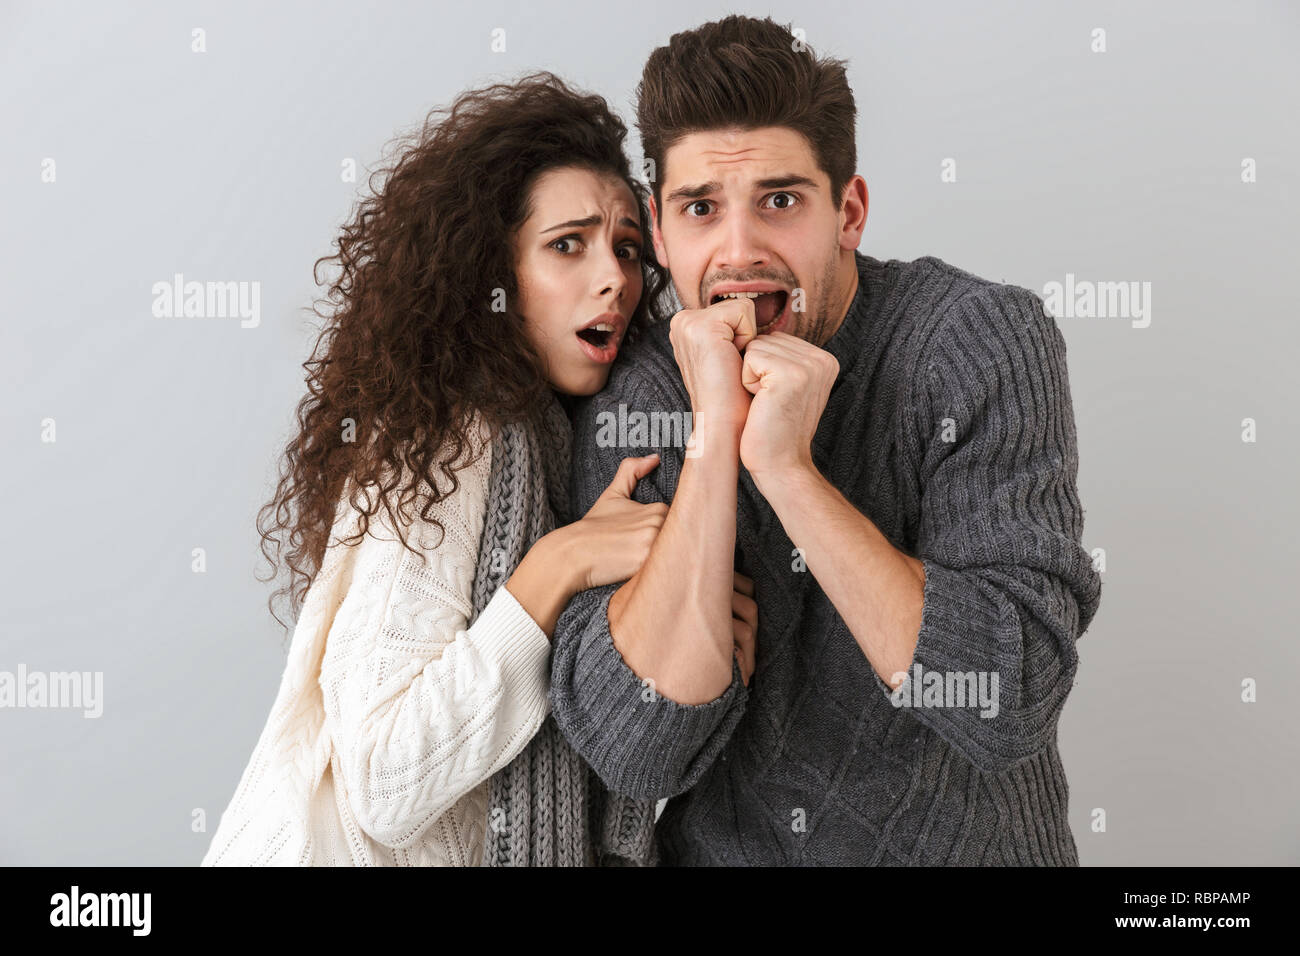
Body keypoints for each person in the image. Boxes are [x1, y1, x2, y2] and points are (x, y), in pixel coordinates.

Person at [549, 16, 1104, 865]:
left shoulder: (978, 339)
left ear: (848, 212)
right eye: (701, 209)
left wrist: (787, 470)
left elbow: (1006, 698)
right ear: (660, 232)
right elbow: (637, 750)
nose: (739, 251)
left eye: (780, 201)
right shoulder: (642, 389)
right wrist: (715, 438)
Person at [200, 72, 756, 867]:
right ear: (494, 272)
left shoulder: (568, 437)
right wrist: (559, 565)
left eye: (628, 249)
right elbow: (385, 784)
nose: (614, 277)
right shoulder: (454, 438)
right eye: (568, 245)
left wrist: (690, 622)